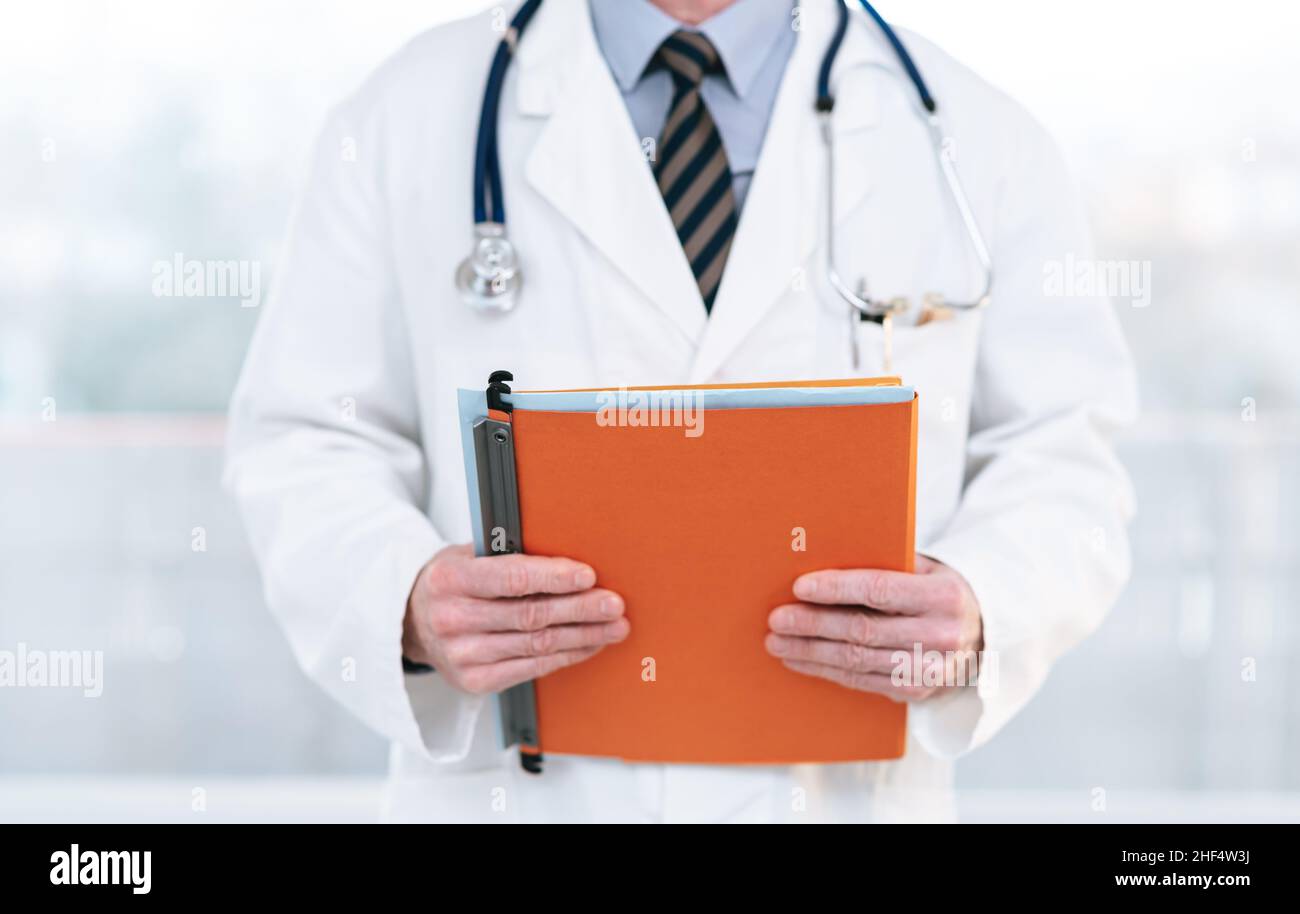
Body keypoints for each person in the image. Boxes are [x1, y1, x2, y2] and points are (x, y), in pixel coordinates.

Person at [225, 0, 1136, 823]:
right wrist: (409, 602)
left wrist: (981, 603)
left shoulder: (975, 138)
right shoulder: (404, 118)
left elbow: (1067, 459)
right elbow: (305, 442)